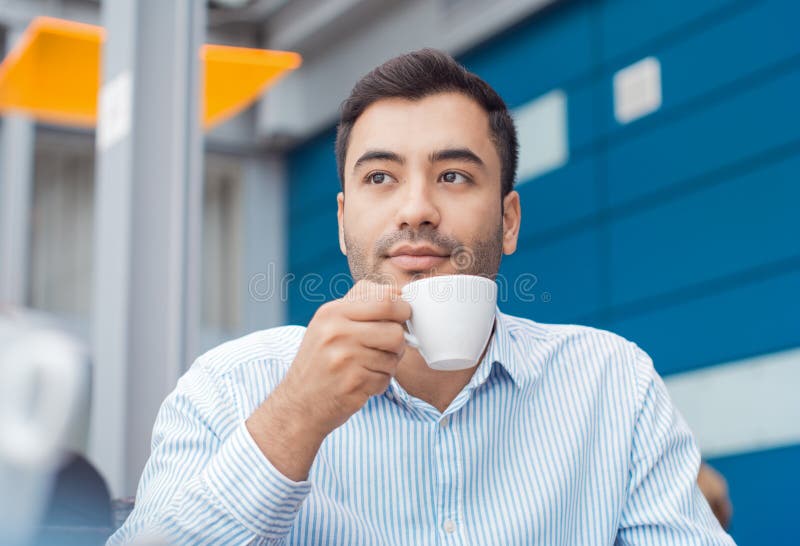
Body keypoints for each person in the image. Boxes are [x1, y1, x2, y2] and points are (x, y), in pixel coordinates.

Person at [109, 49, 735, 545]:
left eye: (453, 176)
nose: (416, 209)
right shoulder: (229, 387)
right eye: (381, 177)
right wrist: (294, 418)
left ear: (509, 220)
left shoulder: (613, 385)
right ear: (342, 221)